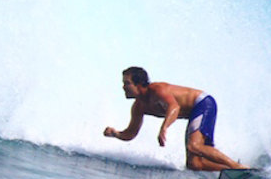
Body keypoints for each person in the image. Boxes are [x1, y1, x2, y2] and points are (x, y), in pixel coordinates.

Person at [103, 66, 247, 171]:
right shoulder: (138, 107)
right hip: (193, 114)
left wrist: (164, 128)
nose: (123, 87)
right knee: (194, 164)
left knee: (194, 146)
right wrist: (115, 134)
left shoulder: (157, 90)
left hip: (203, 103)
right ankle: (231, 171)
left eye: (127, 83)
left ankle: (238, 167)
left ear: (139, 84)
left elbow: (174, 107)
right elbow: (131, 133)